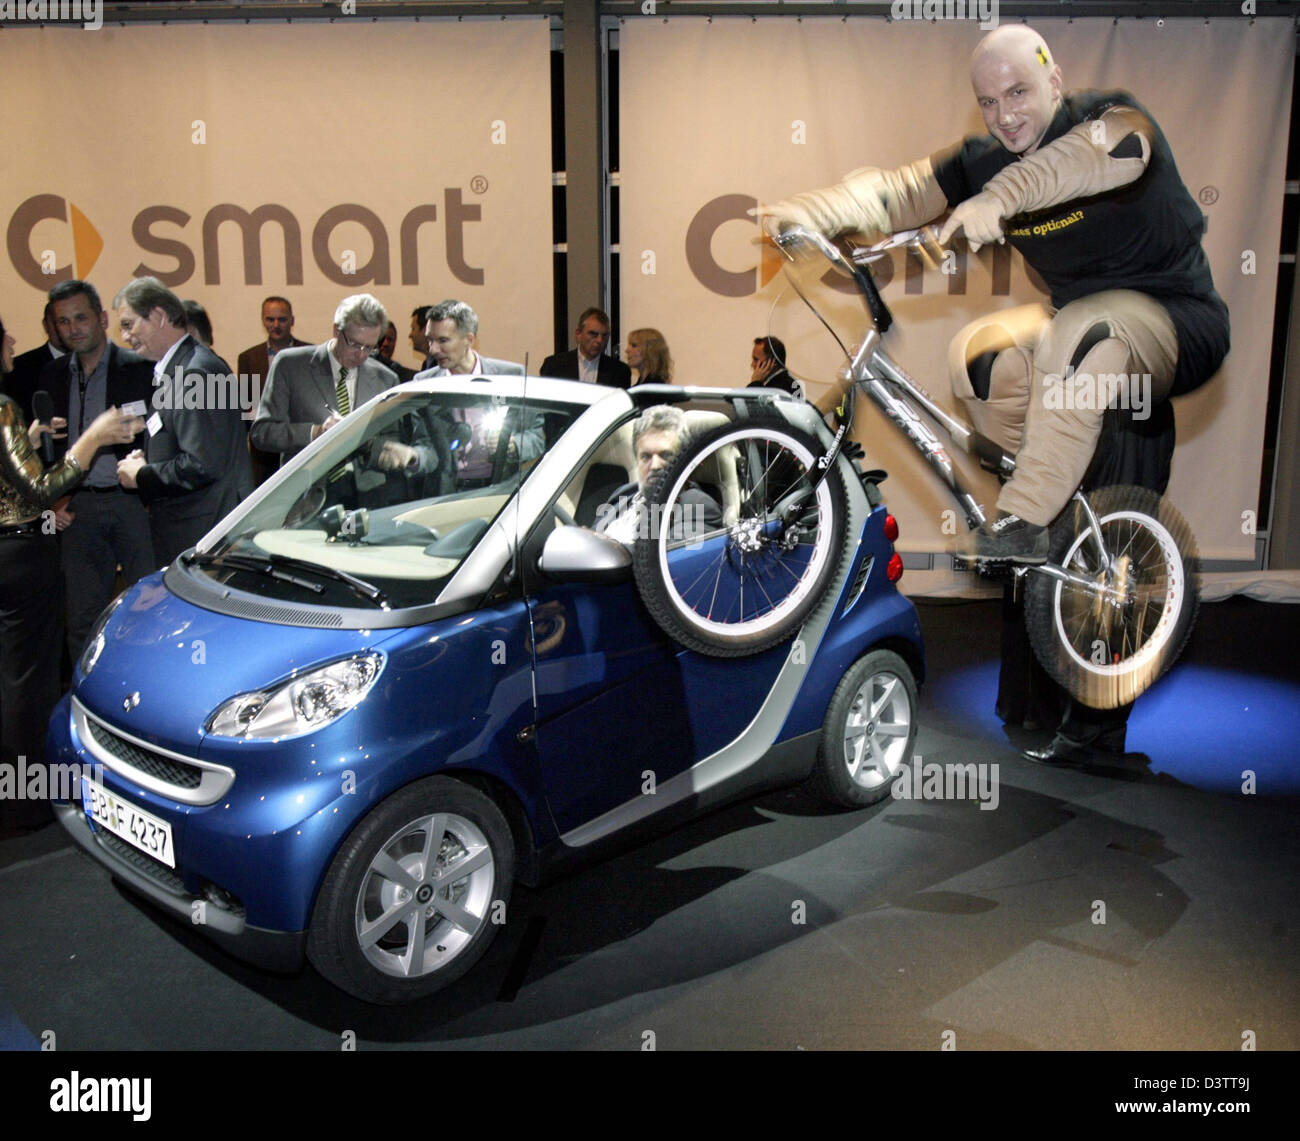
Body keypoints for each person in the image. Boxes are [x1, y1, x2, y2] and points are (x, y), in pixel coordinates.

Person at [761, 25, 1230, 771]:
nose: (1006, 115)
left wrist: (998, 199)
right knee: (977, 354)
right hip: (1079, 343)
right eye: (989, 101)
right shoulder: (986, 158)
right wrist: (808, 213)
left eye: (1019, 93)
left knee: (1081, 327)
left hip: (1172, 323)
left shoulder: (1116, 122)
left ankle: (1027, 519)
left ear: (1054, 79)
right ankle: (1040, 479)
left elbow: (1072, 165)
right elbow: (892, 190)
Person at [0, 312, 142, 836]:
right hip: (19, 565)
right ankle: (28, 803)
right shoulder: (2, 408)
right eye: (5, 334)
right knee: (27, 680)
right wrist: (94, 436)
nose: (13, 338)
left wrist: (27, 449)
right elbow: (40, 490)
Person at [43, 280, 155, 658]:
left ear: (102, 318)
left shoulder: (141, 369)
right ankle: (86, 696)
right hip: (78, 509)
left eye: (80, 318)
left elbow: (159, 436)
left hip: (133, 505)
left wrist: (151, 492)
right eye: (63, 322)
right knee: (82, 618)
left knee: (148, 610)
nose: (73, 328)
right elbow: (46, 447)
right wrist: (55, 499)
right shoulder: (52, 375)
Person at [113, 276, 254, 567]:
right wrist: (148, 460)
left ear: (158, 316)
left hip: (202, 533)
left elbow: (204, 464)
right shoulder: (181, 367)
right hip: (192, 527)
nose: (125, 337)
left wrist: (143, 475)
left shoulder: (195, 372)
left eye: (128, 325)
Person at [251, 294, 432, 475]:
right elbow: (263, 432)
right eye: (354, 344)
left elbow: (391, 437)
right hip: (308, 490)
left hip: (367, 493)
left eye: (370, 347)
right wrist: (315, 432)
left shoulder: (385, 378)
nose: (361, 355)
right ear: (337, 330)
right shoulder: (291, 365)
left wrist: (391, 452)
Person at [415, 299, 541, 487]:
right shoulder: (423, 384)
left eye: (442, 341)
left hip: (500, 492)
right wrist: (413, 458)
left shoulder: (512, 377)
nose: (432, 349)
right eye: (430, 340)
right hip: (444, 495)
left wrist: (512, 443)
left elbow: (537, 438)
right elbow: (425, 447)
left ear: (469, 340)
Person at [594, 405, 721, 545]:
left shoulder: (699, 506)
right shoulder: (623, 494)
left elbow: (662, 561)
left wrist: (604, 544)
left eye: (665, 455)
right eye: (646, 457)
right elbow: (591, 540)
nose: (654, 466)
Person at [237, 297, 310, 484]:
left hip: (302, 449)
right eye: (270, 319)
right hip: (263, 454)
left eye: (282, 319)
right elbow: (247, 406)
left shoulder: (311, 354)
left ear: (292, 321)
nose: (276, 325)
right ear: (263, 320)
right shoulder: (249, 358)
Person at [2, 300, 68, 420]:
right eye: (60, 321)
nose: (69, 328)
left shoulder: (98, 365)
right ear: (45, 325)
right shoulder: (17, 370)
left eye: (78, 319)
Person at [539, 307, 632, 389]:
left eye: (604, 335)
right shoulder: (554, 366)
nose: (599, 340)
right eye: (593, 334)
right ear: (578, 334)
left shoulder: (619, 371)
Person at [410, 305, 435, 371]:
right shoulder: (426, 364)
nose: (410, 335)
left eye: (413, 328)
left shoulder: (443, 366)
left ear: (425, 330)